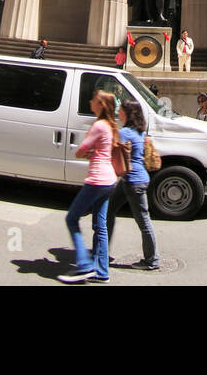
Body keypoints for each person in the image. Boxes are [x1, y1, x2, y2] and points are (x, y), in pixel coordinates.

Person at [58, 90, 120, 283]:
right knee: (100, 226)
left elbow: (81, 150)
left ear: (101, 105)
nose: (90, 101)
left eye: (93, 99)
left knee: (72, 218)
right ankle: (102, 272)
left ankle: (84, 266)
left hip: (96, 180)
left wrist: (87, 149)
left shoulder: (99, 125)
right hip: (109, 180)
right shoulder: (110, 126)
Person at [106, 98, 159, 271]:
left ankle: (152, 260)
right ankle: (102, 252)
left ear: (128, 114)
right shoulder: (139, 131)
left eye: (120, 110)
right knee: (110, 211)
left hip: (134, 182)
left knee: (143, 221)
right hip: (132, 179)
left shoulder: (125, 133)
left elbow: (110, 149)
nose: (118, 113)